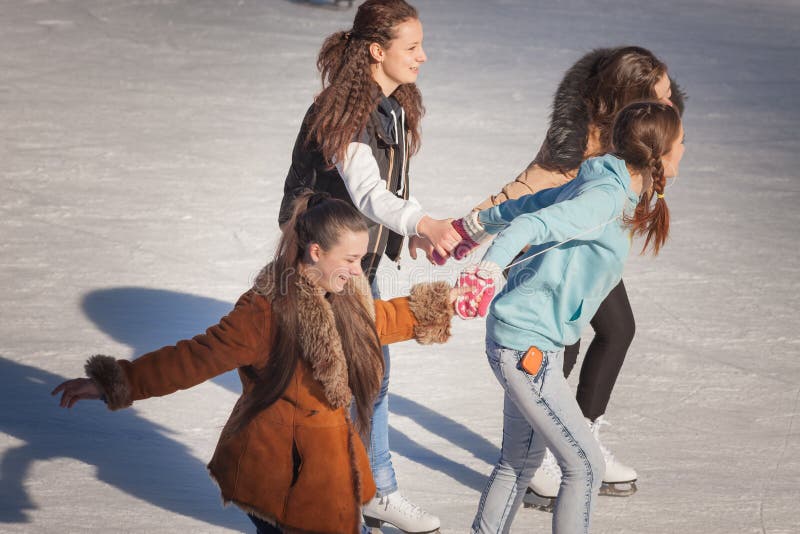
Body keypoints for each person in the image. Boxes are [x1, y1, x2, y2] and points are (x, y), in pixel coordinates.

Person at [52, 192, 459, 534]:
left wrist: (446, 303)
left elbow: (382, 320)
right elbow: (194, 358)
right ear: (316, 251)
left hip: (328, 469)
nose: (358, 271)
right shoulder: (266, 312)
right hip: (280, 473)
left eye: (361, 259)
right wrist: (115, 382)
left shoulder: (345, 295)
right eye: (351, 260)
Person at [463, 46, 687, 508]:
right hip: (553, 251)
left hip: (586, 248)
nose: (670, 103)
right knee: (565, 339)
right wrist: (477, 229)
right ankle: (559, 444)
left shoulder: (633, 156)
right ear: (636, 106)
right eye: (661, 97)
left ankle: (572, 435)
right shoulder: (586, 142)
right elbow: (533, 192)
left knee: (614, 328)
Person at [278, 1, 459, 531]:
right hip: (322, 266)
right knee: (341, 382)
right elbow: (366, 191)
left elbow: (388, 192)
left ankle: (361, 489)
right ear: (377, 51)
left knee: (368, 375)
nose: (423, 57)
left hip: (357, 261)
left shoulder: (392, 106)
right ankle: (334, 493)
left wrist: (411, 233)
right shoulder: (346, 111)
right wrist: (422, 224)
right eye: (412, 47)